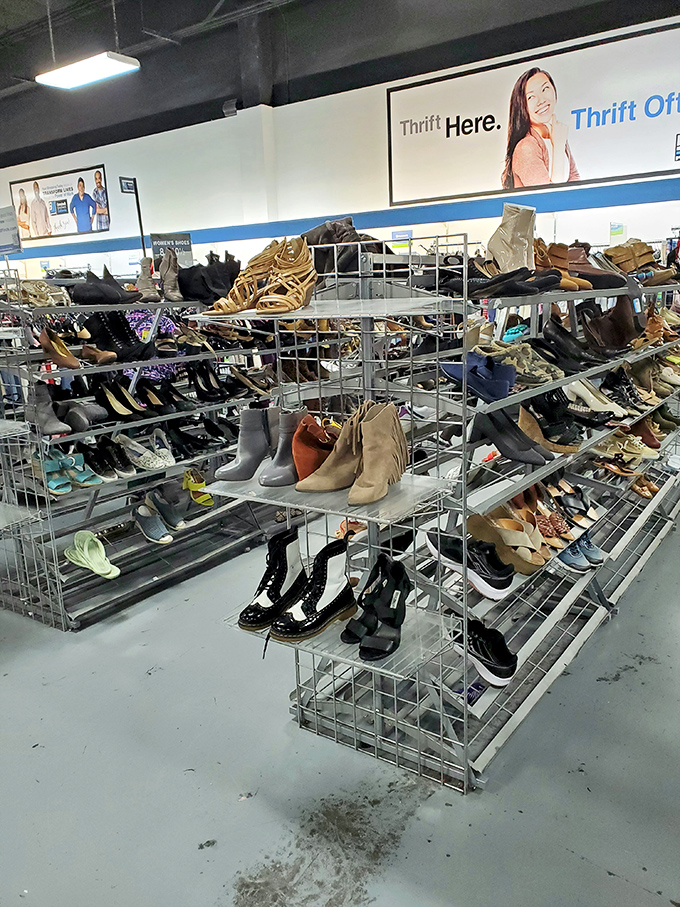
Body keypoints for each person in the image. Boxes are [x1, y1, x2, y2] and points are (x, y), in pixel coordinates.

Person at [502, 67, 579, 189]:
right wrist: (558, 146)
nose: (541, 100)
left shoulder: (556, 133)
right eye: (531, 97)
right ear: (522, 106)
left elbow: (575, 178)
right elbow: (547, 197)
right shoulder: (526, 147)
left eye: (545, 89)